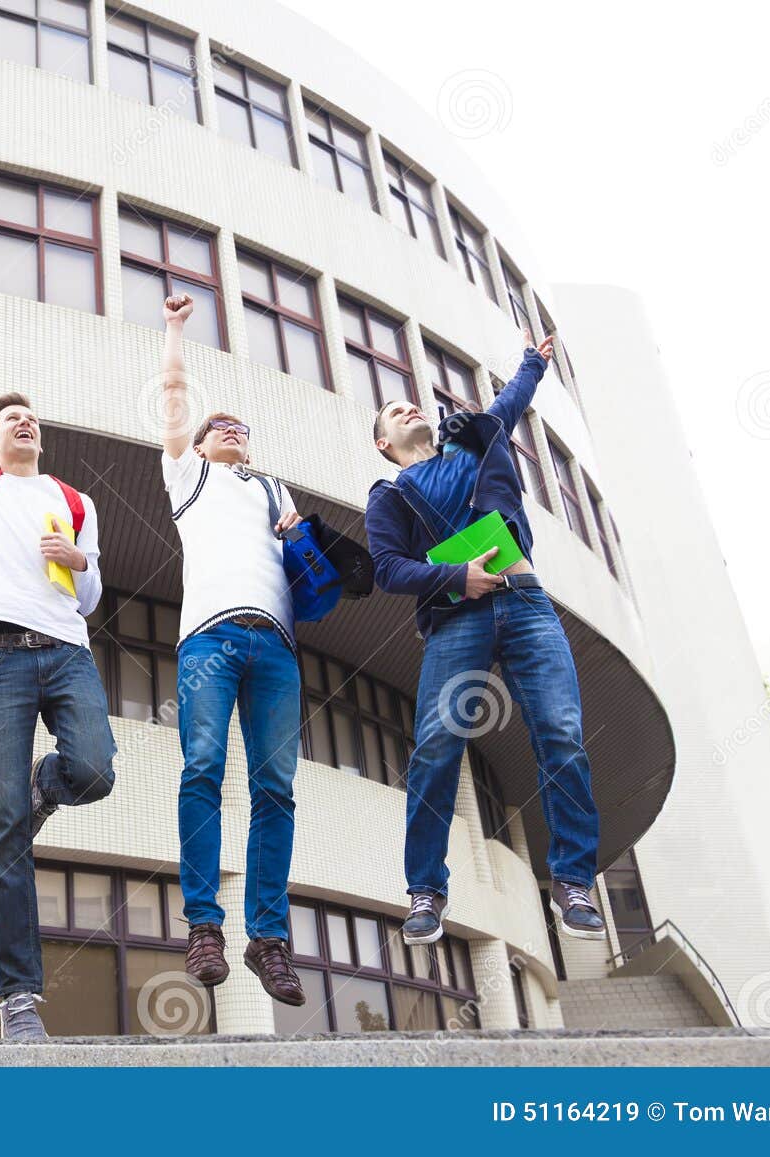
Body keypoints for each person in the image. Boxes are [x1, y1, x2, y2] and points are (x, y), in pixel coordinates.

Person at [366, 331, 605, 946]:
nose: (410, 408)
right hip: (457, 619)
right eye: (395, 412)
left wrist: (536, 360)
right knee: (437, 746)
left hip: (526, 603)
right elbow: (390, 569)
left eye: (412, 404)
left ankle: (573, 882)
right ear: (383, 443)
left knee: (561, 733)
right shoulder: (390, 493)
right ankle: (425, 889)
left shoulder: (476, 445)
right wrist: (457, 576)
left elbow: (513, 401)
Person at [0, 276, 116, 1041]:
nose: (25, 423)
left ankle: (53, 781)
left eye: (32, 417)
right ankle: (19, 999)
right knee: (3, 822)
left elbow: (91, 598)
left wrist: (81, 560)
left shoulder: (76, 501)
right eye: (11, 417)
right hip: (0, 660)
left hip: (67, 652)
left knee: (96, 771)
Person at [156, 292, 307, 1006]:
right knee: (204, 768)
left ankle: (268, 939)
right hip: (210, 639)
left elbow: (309, 566)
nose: (233, 433)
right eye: (223, 426)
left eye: (243, 429)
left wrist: (302, 538)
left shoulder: (274, 488)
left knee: (276, 789)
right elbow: (177, 395)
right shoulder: (190, 476)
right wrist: (176, 330)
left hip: (276, 644)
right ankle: (204, 926)